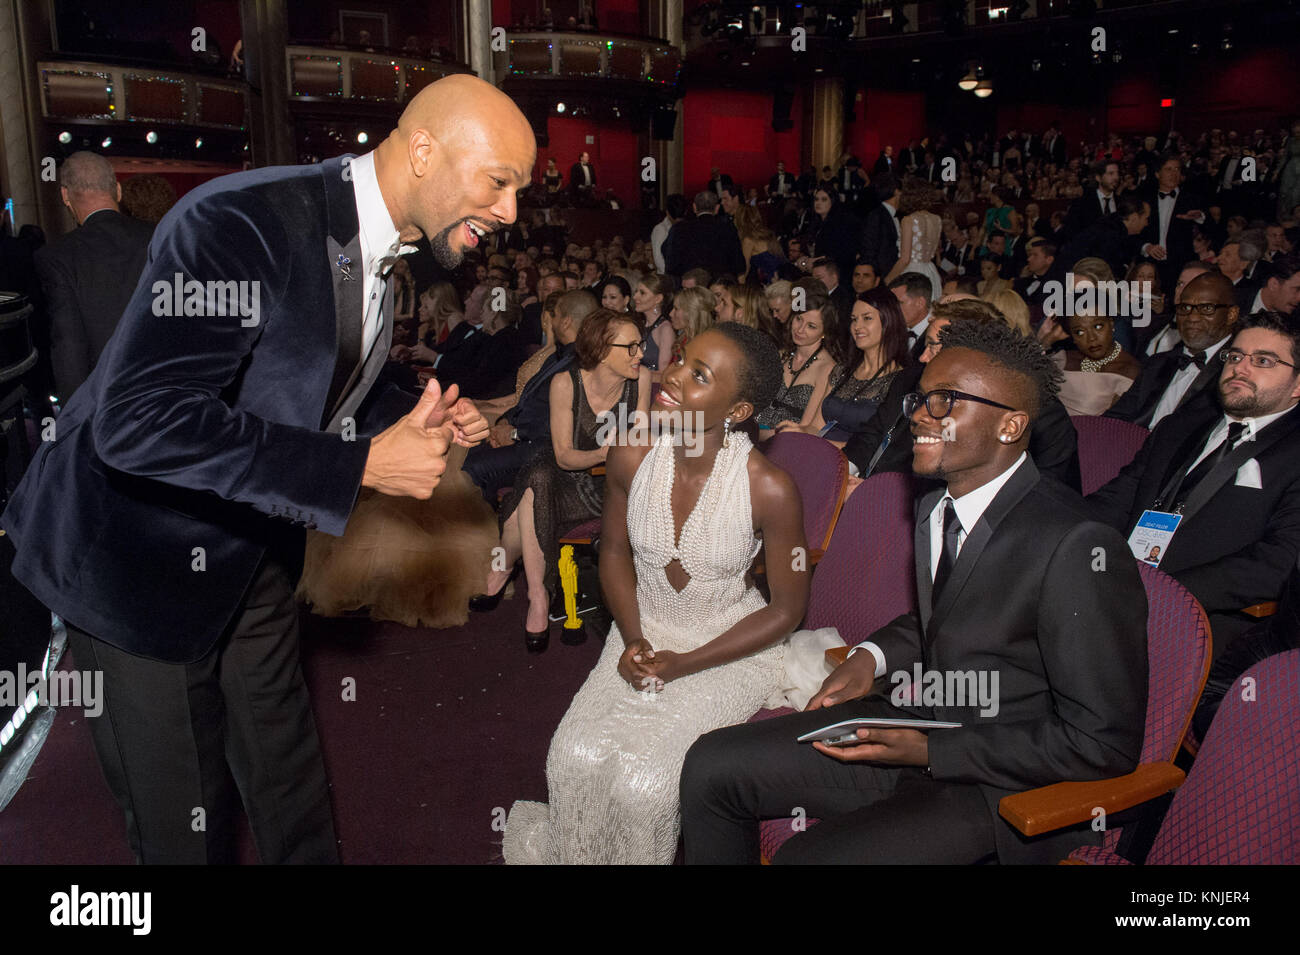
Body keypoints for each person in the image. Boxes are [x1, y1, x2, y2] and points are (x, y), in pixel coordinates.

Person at [0, 74, 511, 863]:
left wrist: (409, 415)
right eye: (499, 182)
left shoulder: (379, 245)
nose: (510, 211)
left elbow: (306, 378)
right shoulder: (241, 220)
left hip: (252, 550)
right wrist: (358, 465)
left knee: (288, 781)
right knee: (185, 824)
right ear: (423, 151)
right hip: (134, 564)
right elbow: (139, 422)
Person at [679, 318, 1147, 864]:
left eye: (946, 402)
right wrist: (871, 656)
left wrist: (934, 748)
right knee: (711, 765)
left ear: (1010, 425)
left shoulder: (1077, 543)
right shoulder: (935, 505)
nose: (921, 416)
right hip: (919, 724)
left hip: (1003, 786)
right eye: (921, 400)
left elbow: (1103, 744)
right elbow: (948, 617)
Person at [503, 323, 806, 864]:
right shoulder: (631, 453)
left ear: (736, 411)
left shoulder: (769, 487)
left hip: (729, 647)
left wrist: (684, 663)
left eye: (699, 376)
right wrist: (633, 637)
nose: (672, 376)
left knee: (645, 782)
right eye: (681, 359)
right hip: (642, 628)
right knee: (573, 756)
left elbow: (787, 609)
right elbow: (613, 553)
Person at [1087, 309, 1300, 651]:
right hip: (1112, 587)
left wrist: (1162, 593)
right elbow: (1117, 498)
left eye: (1263, 361)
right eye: (1235, 355)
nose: (1240, 367)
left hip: (1200, 621)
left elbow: (1277, 563)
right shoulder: (1181, 425)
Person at [478, 310, 651, 649]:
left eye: (640, 345)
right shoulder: (566, 382)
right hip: (566, 475)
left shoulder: (640, 380)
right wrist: (606, 451)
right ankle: (539, 595)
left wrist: (619, 451)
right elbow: (565, 456)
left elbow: (641, 445)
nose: (640, 354)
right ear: (602, 350)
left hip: (609, 487)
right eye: (630, 347)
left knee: (530, 492)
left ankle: (509, 566)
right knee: (541, 475)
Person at [35, 151, 155, 401]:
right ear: (118, 191)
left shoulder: (57, 257)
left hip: (109, 403)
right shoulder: (160, 236)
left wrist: (75, 423)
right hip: (170, 394)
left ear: (65, 196)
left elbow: (69, 346)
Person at [1105, 272, 1239, 427]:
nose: (1192, 317)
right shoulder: (1156, 364)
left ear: (1231, 314)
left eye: (1207, 308)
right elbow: (1114, 419)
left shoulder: (1237, 373)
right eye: (1185, 307)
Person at [792, 287, 910, 443]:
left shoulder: (899, 381)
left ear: (888, 321)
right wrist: (797, 431)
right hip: (819, 453)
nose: (857, 326)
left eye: (867, 318)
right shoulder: (841, 371)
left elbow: (880, 446)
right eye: (854, 319)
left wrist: (824, 446)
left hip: (854, 463)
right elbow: (817, 427)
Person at [755, 284, 841, 434]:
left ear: (824, 332)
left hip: (785, 442)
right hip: (752, 430)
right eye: (799, 319)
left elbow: (808, 427)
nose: (800, 329)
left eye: (811, 326)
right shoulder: (782, 355)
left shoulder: (828, 369)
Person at [1053, 312, 1141, 415]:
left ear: (1111, 324)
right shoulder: (1062, 358)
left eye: (1098, 326)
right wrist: (1045, 341)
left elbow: (1116, 426)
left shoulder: (1129, 371)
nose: (1091, 338)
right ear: (1072, 337)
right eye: (1080, 332)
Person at [884, 180, 944, 301]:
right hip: (931, 271)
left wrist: (887, 281)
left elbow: (905, 259)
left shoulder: (909, 220)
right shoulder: (937, 219)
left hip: (912, 273)